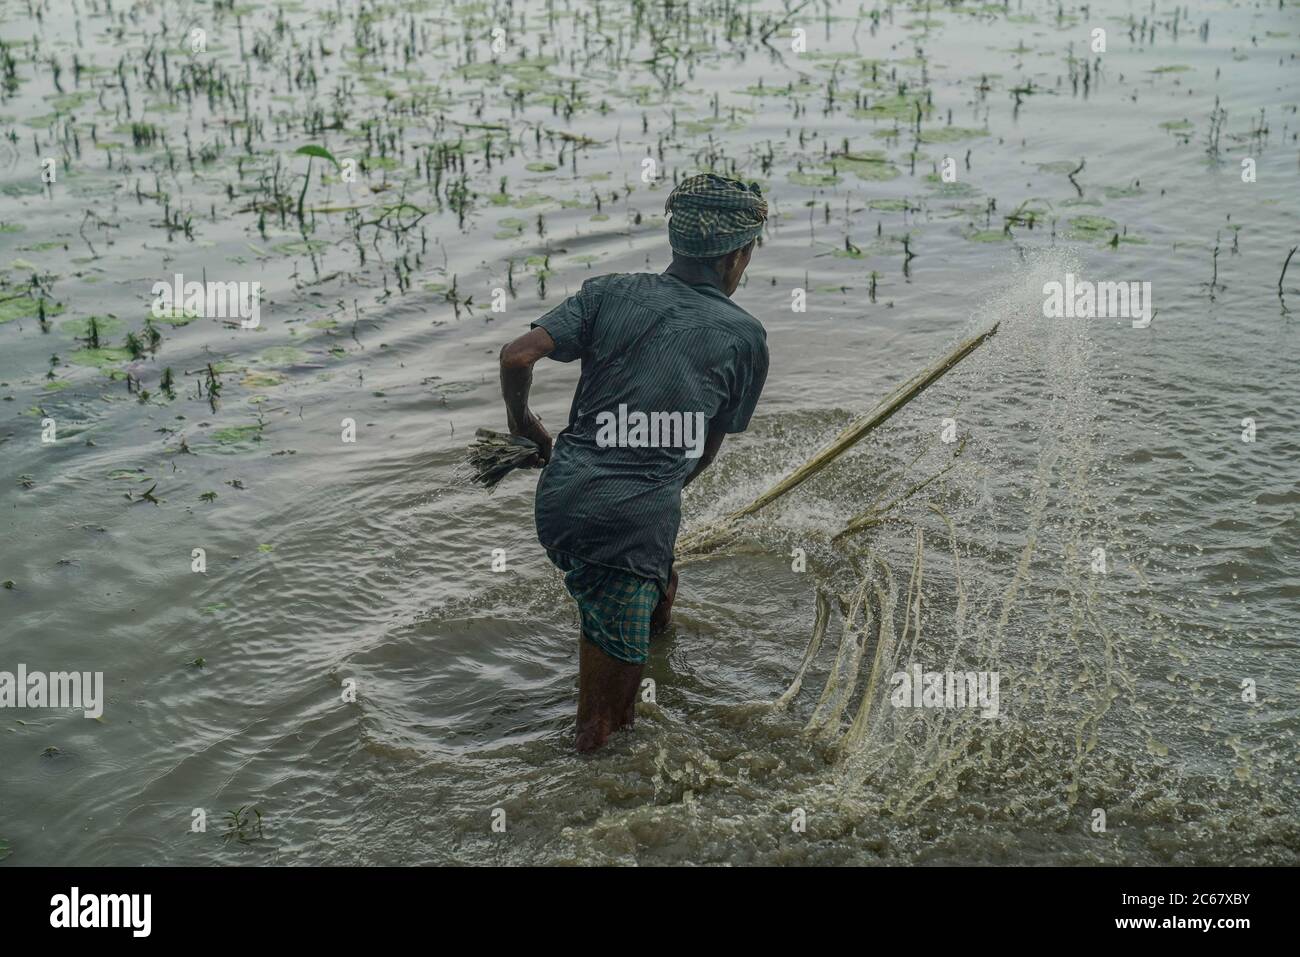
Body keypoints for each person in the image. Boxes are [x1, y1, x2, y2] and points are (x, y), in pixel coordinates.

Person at [497, 173, 769, 752]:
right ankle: (589, 815)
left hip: (562, 496)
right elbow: (703, 451)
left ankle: (644, 634)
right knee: (605, 728)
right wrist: (654, 491)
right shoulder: (744, 337)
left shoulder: (608, 293)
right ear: (738, 256)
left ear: (677, 242)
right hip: (629, 522)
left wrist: (526, 429)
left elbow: (518, 356)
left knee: (657, 592)